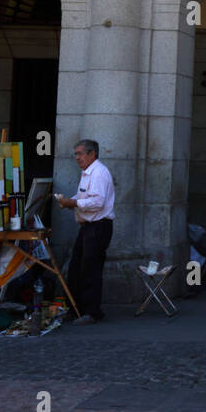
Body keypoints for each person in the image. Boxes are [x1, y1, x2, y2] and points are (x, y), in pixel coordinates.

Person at [57, 139, 115, 325]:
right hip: (88, 226)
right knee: (76, 267)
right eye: (76, 154)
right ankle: (76, 309)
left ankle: (91, 311)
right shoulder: (87, 173)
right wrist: (69, 201)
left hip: (98, 226)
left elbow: (97, 202)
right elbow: (84, 197)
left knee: (90, 269)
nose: (77, 158)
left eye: (80, 154)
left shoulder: (99, 173)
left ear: (92, 154)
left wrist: (72, 203)